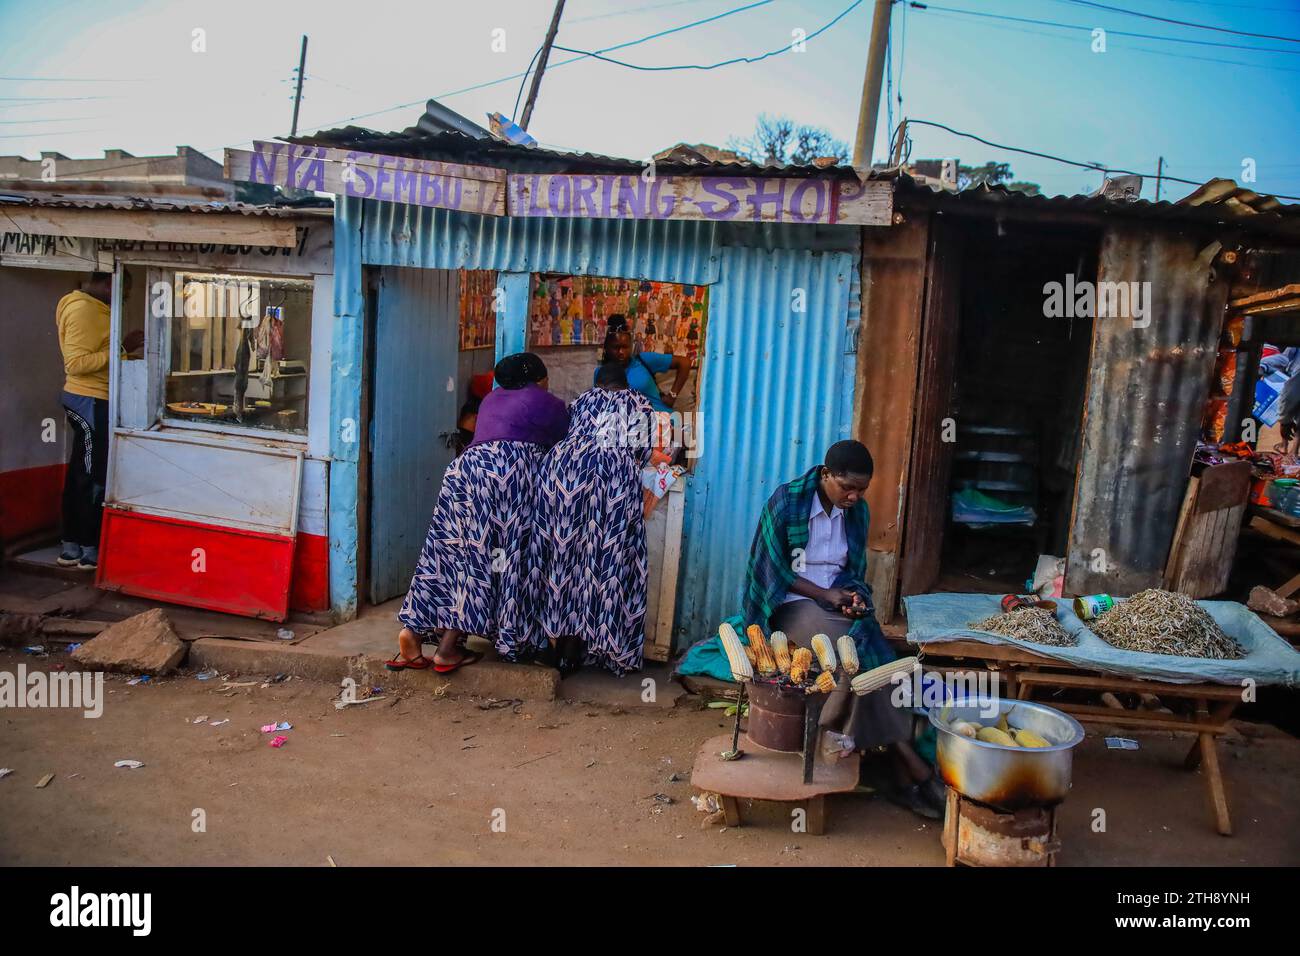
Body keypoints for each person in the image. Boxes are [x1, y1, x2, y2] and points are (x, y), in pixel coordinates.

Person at [741, 440, 946, 820]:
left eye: (861, 489)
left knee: (878, 664)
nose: (853, 496)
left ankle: (896, 765)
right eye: (846, 487)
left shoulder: (857, 512)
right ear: (825, 475)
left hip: (834, 601)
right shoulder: (786, 503)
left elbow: (852, 570)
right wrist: (824, 594)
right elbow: (772, 571)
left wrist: (851, 596)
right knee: (850, 661)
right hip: (790, 604)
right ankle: (911, 769)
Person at [387, 353, 568, 673]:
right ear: (540, 380)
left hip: (462, 471)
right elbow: (565, 443)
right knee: (484, 560)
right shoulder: (547, 403)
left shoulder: (491, 400)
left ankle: (412, 632)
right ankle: (446, 649)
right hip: (503, 479)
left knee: (445, 554)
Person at [528, 364, 654, 676]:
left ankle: (557, 647)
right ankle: (595, 646)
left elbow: (564, 433)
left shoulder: (582, 401)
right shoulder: (642, 405)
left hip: (564, 476)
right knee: (604, 564)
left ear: (597, 383)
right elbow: (643, 453)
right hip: (611, 483)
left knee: (562, 560)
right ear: (629, 384)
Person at [55, 272, 142, 570]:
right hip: (89, 400)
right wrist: (121, 350)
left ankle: (72, 544)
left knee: (82, 471)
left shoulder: (91, 308)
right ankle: (87, 547)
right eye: (124, 291)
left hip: (92, 399)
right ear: (110, 284)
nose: (125, 297)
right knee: (93, 476)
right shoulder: (83, 310)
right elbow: (76, 363)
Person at [596, 319, 691, 413]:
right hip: (631, 424)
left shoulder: (644, 359)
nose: (621, 352)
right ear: (607, 348)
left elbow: (685, 362)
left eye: (625, 347)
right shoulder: (600, 372)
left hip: (661, 418)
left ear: (631, 347)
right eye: (616, 347)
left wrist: (672, 396)